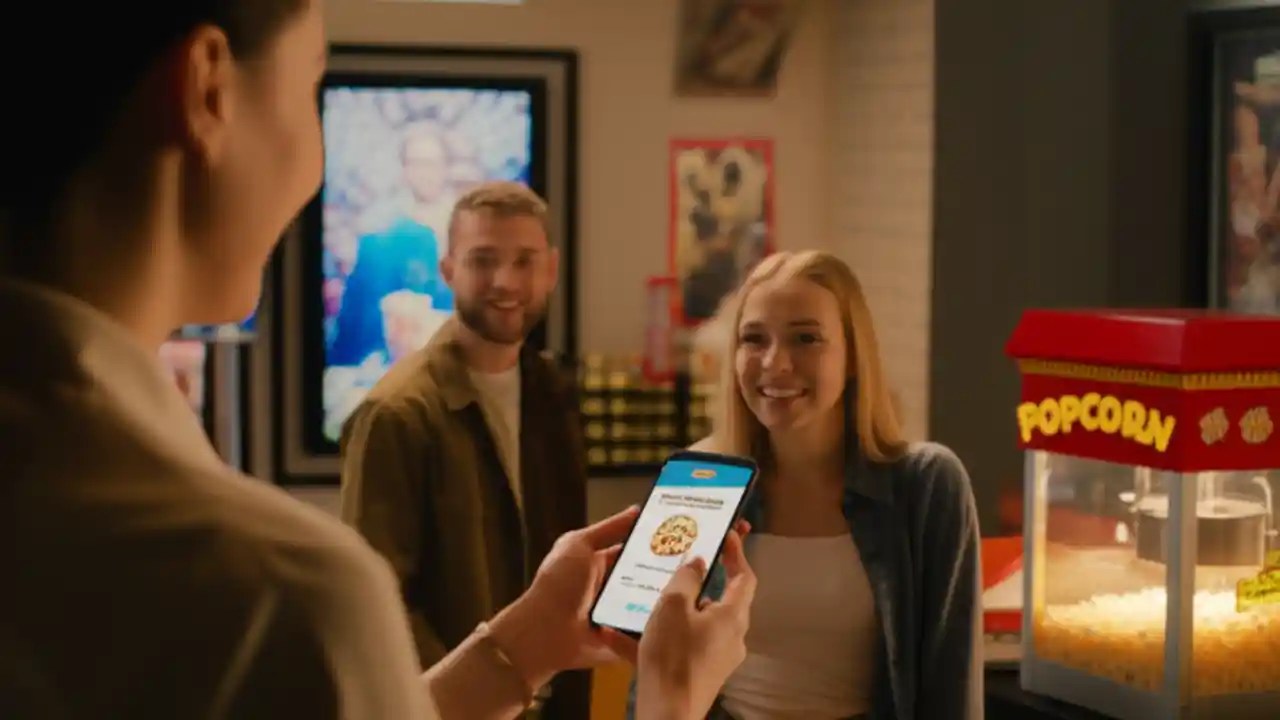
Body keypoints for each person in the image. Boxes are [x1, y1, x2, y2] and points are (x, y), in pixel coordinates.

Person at [0, 2, 756, 718]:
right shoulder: (280, 598)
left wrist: (523, 649)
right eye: (309, 89)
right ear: (208, 91)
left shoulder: (548, 393)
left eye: (525, 262)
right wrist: (673, 693)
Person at [631, 250, 983, 720]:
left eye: (806, 339)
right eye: (754, 339)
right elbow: (652, 677)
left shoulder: (928, 487)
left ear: (854, 356)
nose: (776, 364)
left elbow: (950, 692)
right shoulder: (701, 482)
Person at [339, 180, 595, 719]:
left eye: (524, 262)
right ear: (449, 269)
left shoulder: (554, 396)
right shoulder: (397, 414)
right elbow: (376, 604)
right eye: (483, 261)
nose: (505, 282)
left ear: (549, 269)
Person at [329, 124, 454, 366]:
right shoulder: (377, 241)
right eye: (417, 163)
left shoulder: (466, 234)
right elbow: (356, 326)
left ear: (445, 168)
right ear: (404, 170)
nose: (425, 172)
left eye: (433, 163)